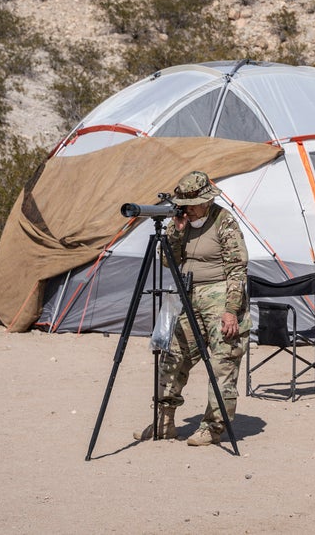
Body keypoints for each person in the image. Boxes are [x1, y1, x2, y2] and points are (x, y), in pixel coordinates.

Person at [135, 170, 249, 447]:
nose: (189, 209)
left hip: (220, 295)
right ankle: (164, 421)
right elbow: (166, 261)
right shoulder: (180, 222)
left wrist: (231, 309)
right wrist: (176, 232)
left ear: (207, 201)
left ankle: (213, 426)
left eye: (194, 204)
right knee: (173, 356)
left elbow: (237, 269)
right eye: (184, 204)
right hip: (186, 294)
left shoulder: (224, 221)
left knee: (223, 361)